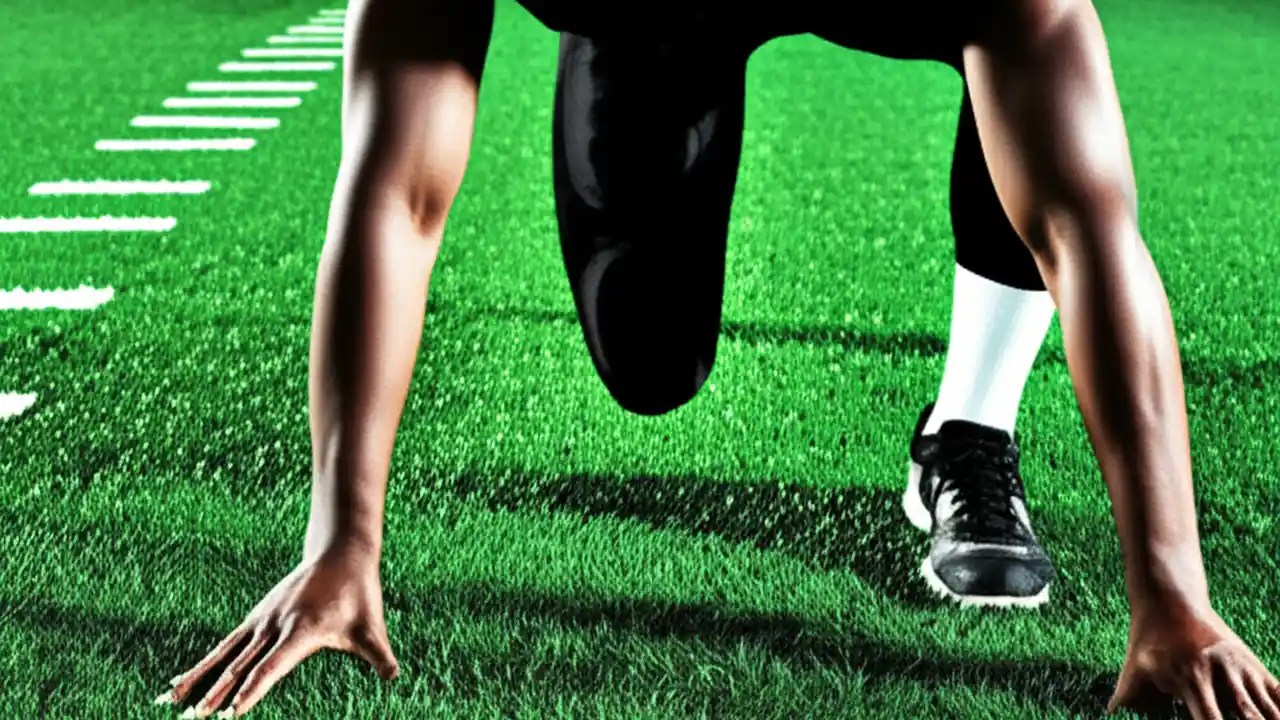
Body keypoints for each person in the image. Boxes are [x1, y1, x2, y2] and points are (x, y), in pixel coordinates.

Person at [157, 1, 1280, 718]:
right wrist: (340, 540)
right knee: (647, 358)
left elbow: (1084, 219)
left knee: (1022, 87)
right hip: (645, 18)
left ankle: (967, 431)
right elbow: (395, 195)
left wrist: (1171, 595)